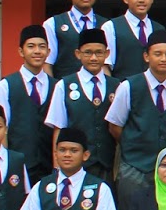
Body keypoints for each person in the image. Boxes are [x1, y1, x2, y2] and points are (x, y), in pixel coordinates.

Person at [105, 35, 166, 192]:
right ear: (146, 56)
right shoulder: (129, 86)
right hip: (134, 167)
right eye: (158, 54)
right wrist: (133, 143)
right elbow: (114, 126)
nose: (164, 59)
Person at [44, 27, 117, 181]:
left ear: (107, 54)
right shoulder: (64, 85)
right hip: (76, 167)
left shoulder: (117, 86)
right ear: (78, 54)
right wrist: (57, 167)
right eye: (88, 52)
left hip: (107, 165)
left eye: (99, 52)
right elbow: (59, 127)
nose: (94, 58)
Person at [0, 25, 55, 183]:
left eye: (42, 47)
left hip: (49, 169)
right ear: (21, 51)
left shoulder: (57, 86)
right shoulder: (6, 86)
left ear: (48, 52)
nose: (37, 51)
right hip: (17, 169)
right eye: (31, 46)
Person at [44, 0, 106, 80]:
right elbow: (47, 64)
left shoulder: (107, 25)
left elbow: (107, 64)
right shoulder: (53, 24)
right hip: (65, 90)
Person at [107, 0, 166, 83]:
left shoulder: (159, 29)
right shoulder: (111, 27)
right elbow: (106, 66)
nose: (141, 0)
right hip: (122, 90)